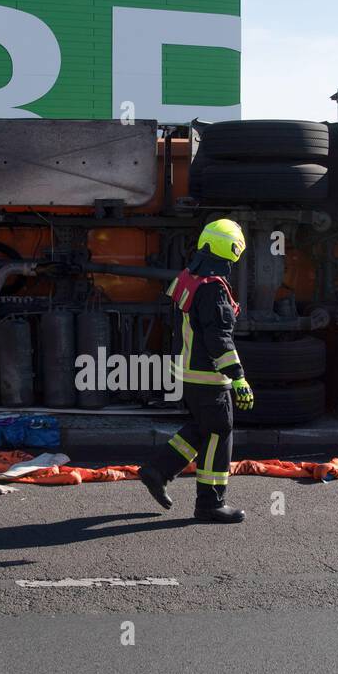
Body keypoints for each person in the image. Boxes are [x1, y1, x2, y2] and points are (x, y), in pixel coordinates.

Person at [138, 218, 253, 524]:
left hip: (187, 373)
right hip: (209, 376)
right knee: (220, 431)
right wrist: (239, 377)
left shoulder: (187, 279)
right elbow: (219, 338)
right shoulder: (214, 290)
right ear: (233, 250)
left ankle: (157, 470)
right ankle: (210, 504)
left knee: (204, 427)